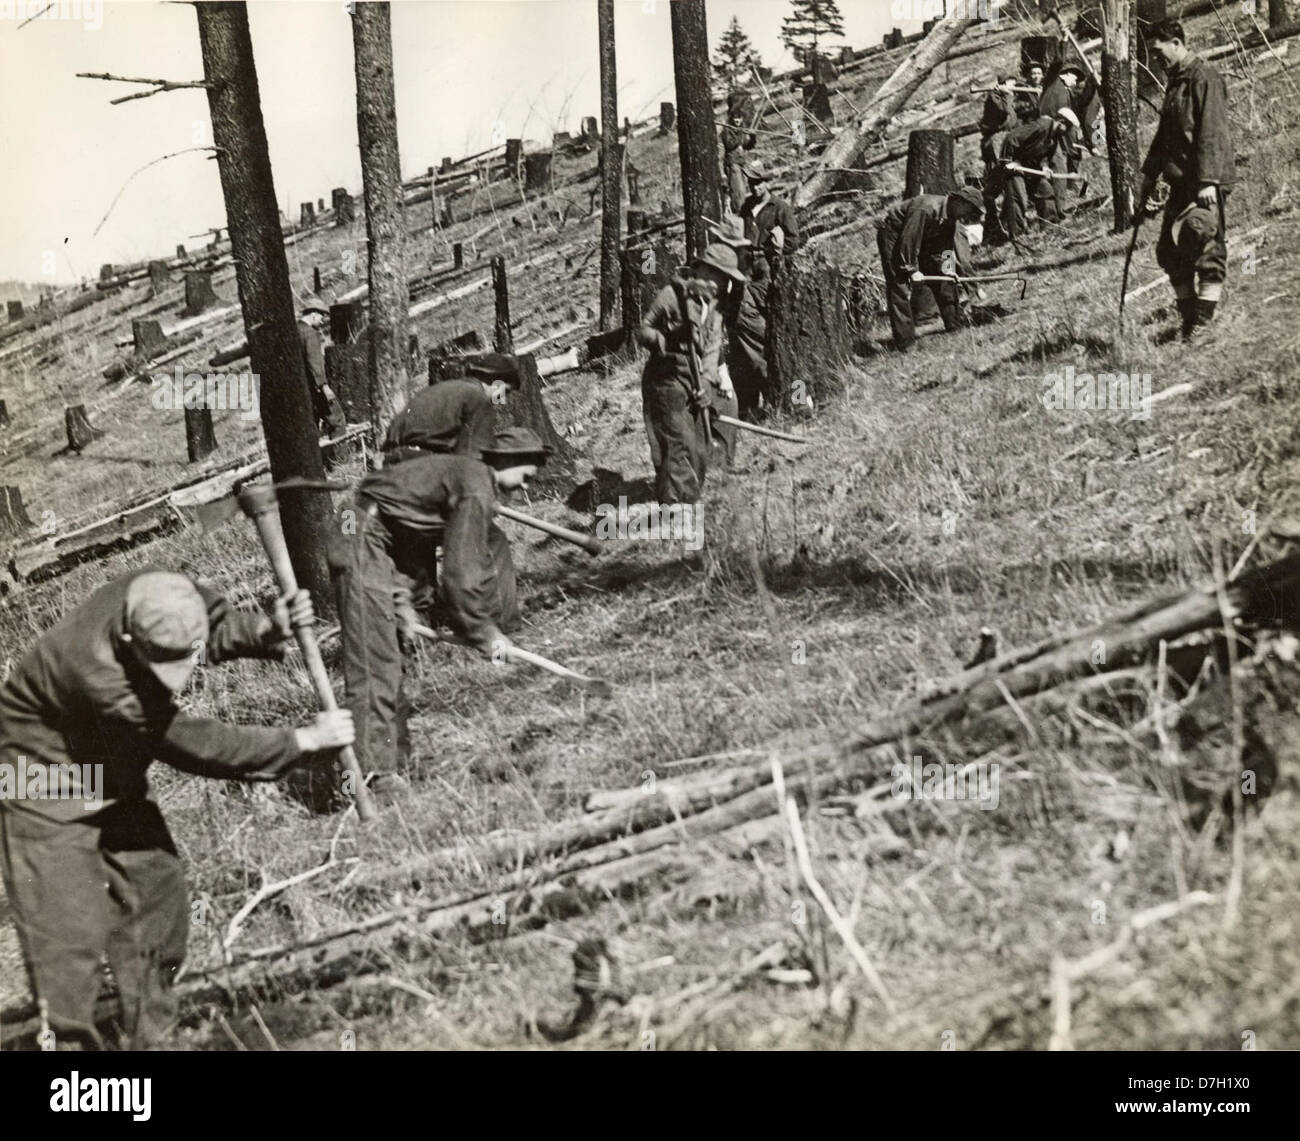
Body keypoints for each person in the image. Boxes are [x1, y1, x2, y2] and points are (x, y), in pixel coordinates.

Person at [0, 569, 352, 1048]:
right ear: (128, 640)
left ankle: (153, 1039)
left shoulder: (166, 590)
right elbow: (195, 745)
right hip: (38, 779)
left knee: (157, 897)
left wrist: (267, 629)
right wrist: (301, 741)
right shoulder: (96, 673)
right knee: (68, 942)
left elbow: (212, 626)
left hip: (106, 766)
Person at [331, 428, 549, 803]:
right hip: (360, 538)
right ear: (508, 459)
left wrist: (403, 603)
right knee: (374, 660)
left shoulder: (464, 476)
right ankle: (371, 779)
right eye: (527, 475)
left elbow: (407, 530)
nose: (527, 487)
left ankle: (391, 763)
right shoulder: (476, 486)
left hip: (374, 539)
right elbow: (461, 573)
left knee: (389, 659)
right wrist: (485, 633)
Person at [1140, 19, 1234, 339]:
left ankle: (1202, 327)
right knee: (1169, 251)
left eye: (1158, 51)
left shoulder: (1203, 76)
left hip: (1205, 181)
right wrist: (1148, 176)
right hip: (1181, 183)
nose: (1156, 59)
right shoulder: (1176, 80)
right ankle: (1189, 318)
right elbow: (1165, 134)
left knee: (1206, 245)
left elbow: (1212, 131)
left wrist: (1209, 180)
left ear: (1177, 43)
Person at [637, 244, 745, 502]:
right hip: (665, 377)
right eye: (721, 276)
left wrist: (707, 385)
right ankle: (677, 506)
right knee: (678, 441)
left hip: (694, 377)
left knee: (698, 444)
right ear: (703, 271)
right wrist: (669, 337)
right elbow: (642, 332)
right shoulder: (671, 295)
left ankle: (693, 492)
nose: (724, 284)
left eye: (728, 279)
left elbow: (712, 349)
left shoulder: (716, 307)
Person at [875, 187, 984, 352]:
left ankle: (954, 323)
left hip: (920, 237)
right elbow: (908, 238)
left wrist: (948, 269)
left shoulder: (951, 217)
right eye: (969, 209)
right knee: (899, 284)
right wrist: (911, 270)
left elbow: (946, 245)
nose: (967, 215)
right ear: (960, 201)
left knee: (946, 277)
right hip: (894, 234)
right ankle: (906, 343)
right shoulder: (926, 207)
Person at [382, 352, 520, 465]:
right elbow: (471, 456)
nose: (503, 400)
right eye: (505, 392)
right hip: (422, 467)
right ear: (495, 382)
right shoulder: (477, 398)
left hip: (392, 464)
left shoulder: (443, 389)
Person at [990, 108, 1081, 242]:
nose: (1067, 132)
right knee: (1018, 196)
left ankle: (1049, 224)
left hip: (1030, 165)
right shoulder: (1040, 126)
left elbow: (1044, 154)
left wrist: (1044, 167)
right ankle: (1018, 235)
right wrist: (1008, 161)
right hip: (1014, 164)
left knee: (1045, 191)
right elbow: (1012, 137)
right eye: (1067, 128)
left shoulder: (1054, 137)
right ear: (1061, 121)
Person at [709, 216, 767, 426]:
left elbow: (759, 279)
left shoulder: (742, 256)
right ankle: (745, 410)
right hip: (736, 311)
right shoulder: (732, 254)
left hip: (744, 310)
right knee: (742, 361)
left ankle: (789, 401)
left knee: (759, 357)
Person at [739, 159, 801, 282]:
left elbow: (793, 241)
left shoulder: (780, 207)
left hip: (767, 263)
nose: (755, 187)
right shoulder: (746, 205)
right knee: (743, 297)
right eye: (752, 183)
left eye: (759, 183)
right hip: (746, 262)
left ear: (766, 183)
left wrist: (773, 251)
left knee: (763, 296)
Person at [298, 299, 346, 442]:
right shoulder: (311, 334)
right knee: (338, 420)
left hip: (302, 390)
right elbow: (314, 362)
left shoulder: (294, 331)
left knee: (311, 426)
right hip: (316, 389)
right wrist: (324, 386)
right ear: (313, 314)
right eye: (321, 316)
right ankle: (340, 462)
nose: (323, 320)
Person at [720, 89, 758, 214]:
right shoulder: (727, 130)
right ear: (732, 119)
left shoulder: (740, 129)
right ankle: (740, 213)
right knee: (738, 192)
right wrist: (739, 134)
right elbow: (730, 145)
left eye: (739, 119)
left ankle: (746, 212)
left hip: (743, 163)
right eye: (735, 119)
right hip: (733, 165)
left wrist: (752, 137)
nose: (737, 121)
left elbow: (747, 146)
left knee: (748, 188)